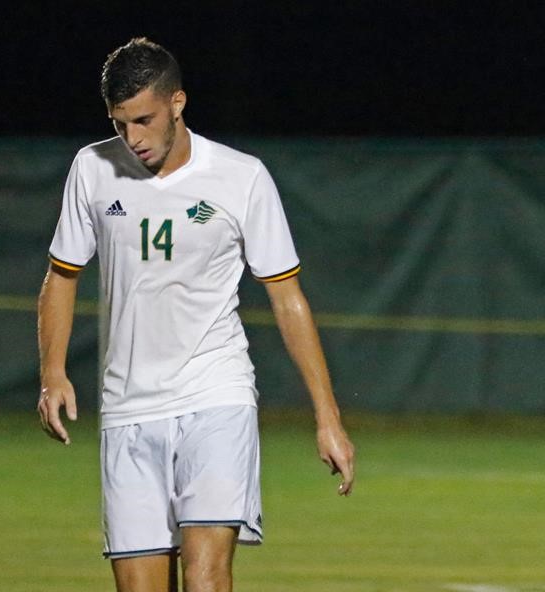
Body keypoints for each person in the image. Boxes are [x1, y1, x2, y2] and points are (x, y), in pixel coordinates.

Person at [35, 37, 355, 592]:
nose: (132, 139)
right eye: (119, 124)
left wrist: (327, 416)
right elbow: (61, 276)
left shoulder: (241, 177)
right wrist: (52, 372)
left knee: (206, 577)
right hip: (128, 408)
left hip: (216, 397)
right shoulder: (91, 168)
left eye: (144, 120)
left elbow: (287, 298)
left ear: (178, 103)